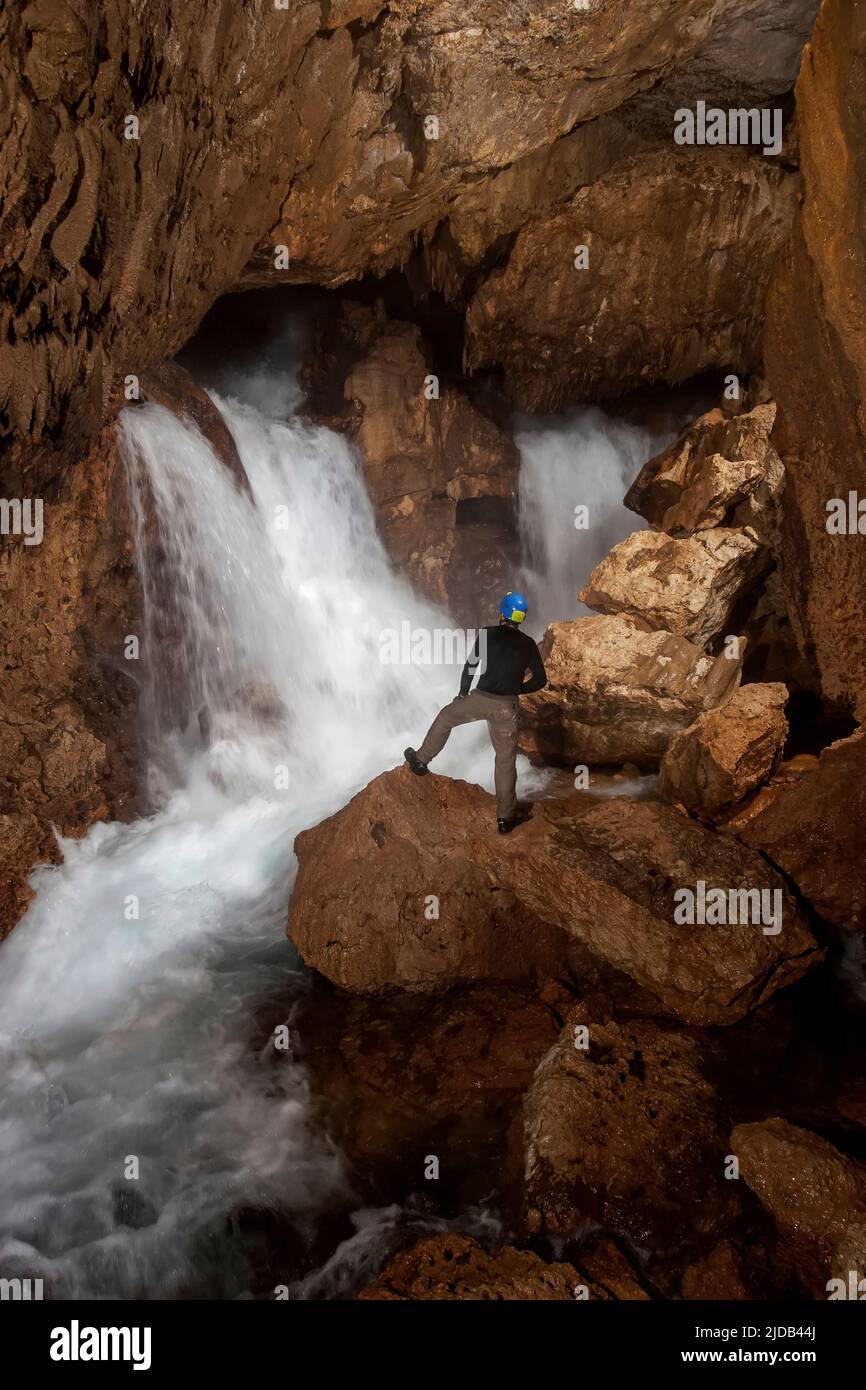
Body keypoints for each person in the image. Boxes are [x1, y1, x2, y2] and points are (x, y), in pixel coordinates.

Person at [404, 591, 547, 833]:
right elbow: (541, 680)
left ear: (503, 612)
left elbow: (470, 666)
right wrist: (520, 688)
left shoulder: (487, 634)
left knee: (446, 718)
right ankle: (505, 818)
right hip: (506, 708)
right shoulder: (529, 644)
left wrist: (462, 693)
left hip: (479, 699)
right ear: (521, 617)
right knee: (505, 762)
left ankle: (420, 760)